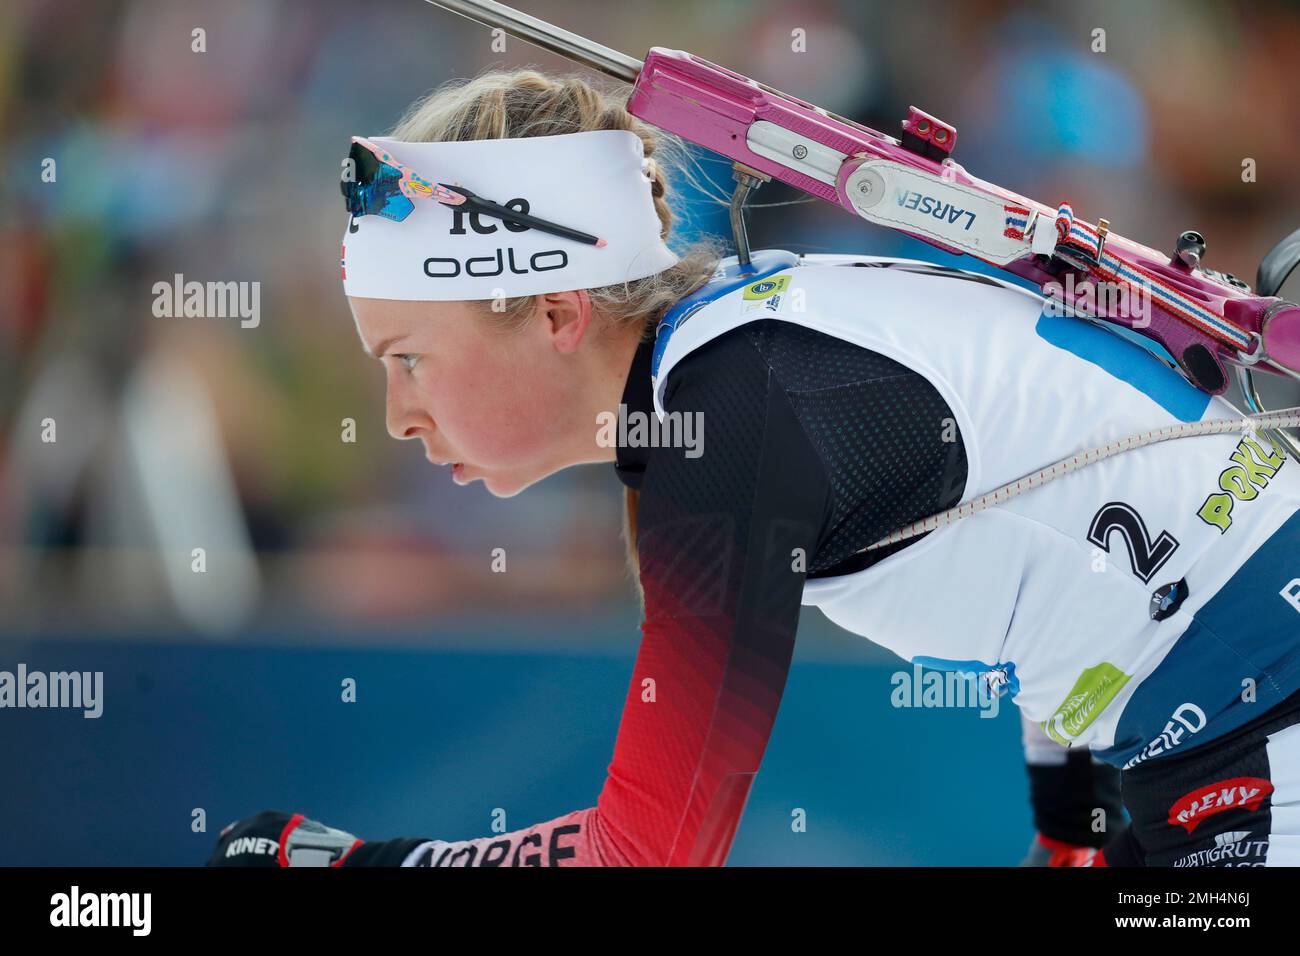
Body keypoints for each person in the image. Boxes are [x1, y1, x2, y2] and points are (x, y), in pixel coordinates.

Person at [209, 69, 1300, 868]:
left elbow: (650, 853)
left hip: (1251, 722)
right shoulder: (751, 344)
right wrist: (1072, 832)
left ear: (552, 310)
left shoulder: (725, 425)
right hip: (1222, 724)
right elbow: (1055, 535)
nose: (396, 416)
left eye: (408, 361)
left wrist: (344, 860)